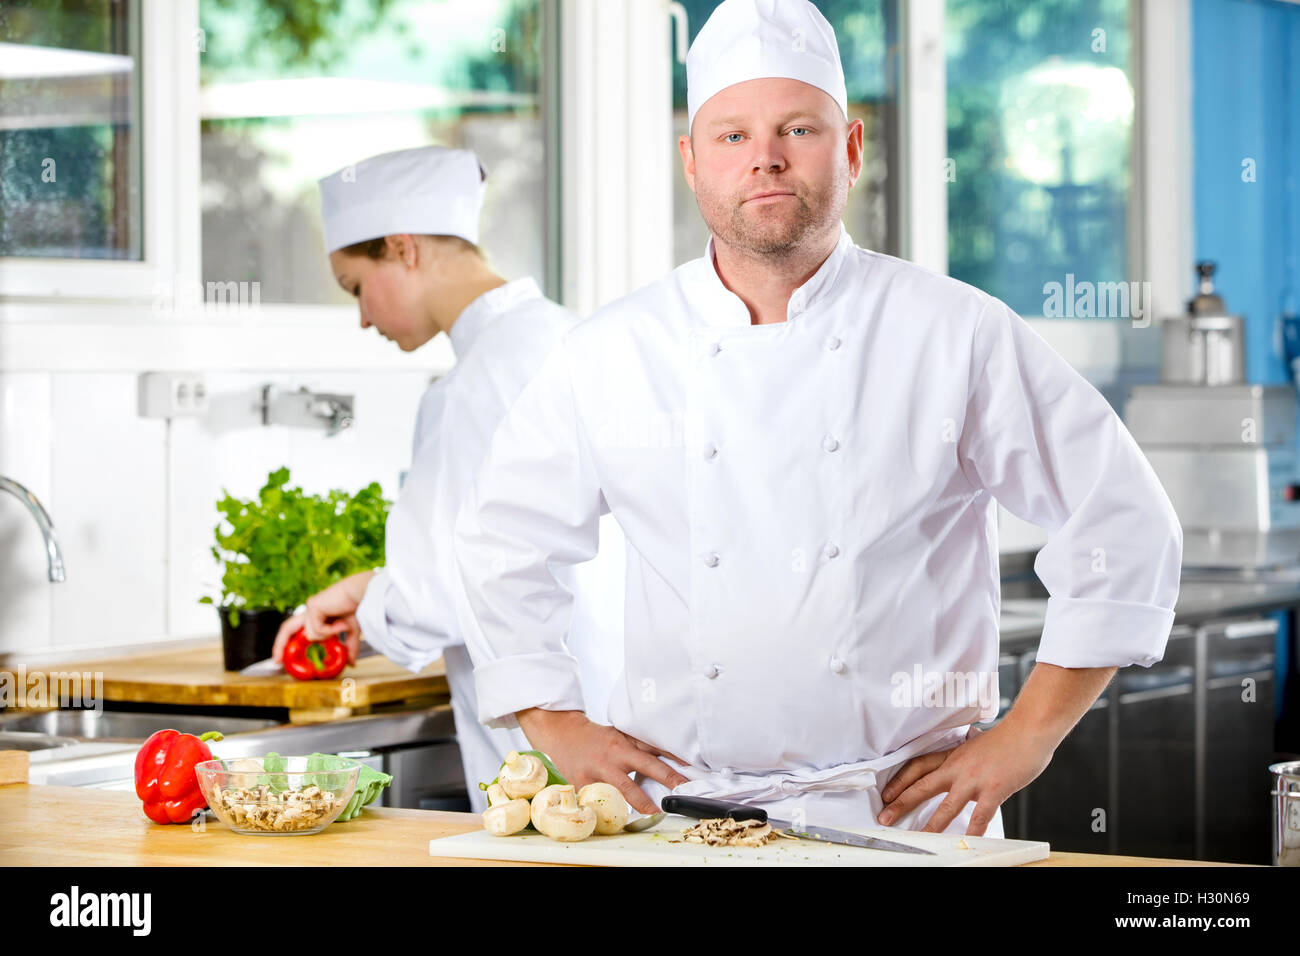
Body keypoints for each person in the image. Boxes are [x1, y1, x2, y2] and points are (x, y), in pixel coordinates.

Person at [452, 0, 1183, 837]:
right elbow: (502, 540)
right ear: (692, 162)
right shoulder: (612, 350)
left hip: (902, 818)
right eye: (731, 136)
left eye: (797, 129)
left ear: (852, 148)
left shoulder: (956, 331)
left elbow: (1125, 524)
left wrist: (1027, 738)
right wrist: (554, 723)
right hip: (677, 817)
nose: (763, 160)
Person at [271, 145, 626, 813]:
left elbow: (444, 592)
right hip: (628, 732)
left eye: (355, 287)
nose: (363, 317)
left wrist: (373, 604)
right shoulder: (571, 337)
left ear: (403, 249)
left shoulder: (472, 385)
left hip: (547, 768)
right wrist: (370, 598)